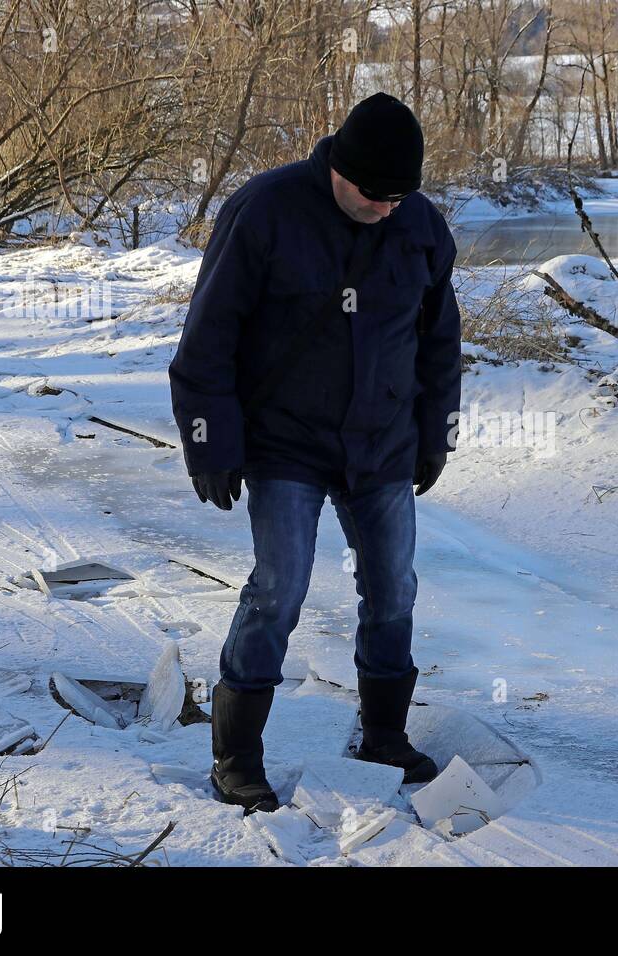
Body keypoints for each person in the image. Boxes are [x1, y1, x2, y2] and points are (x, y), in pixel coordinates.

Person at [168, 92, 462, 813]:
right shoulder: (265, 211)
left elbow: (439, 342)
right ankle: (236, 756)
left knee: (394, 590)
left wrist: (436, 432)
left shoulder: (419, 226)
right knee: (278, 592)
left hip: (383, 441)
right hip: (285, 443)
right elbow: (209, 340)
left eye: (401, 196)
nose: (387, 208)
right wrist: (208, 440)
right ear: (339, 167)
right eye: (375, 193)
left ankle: (382, 735)